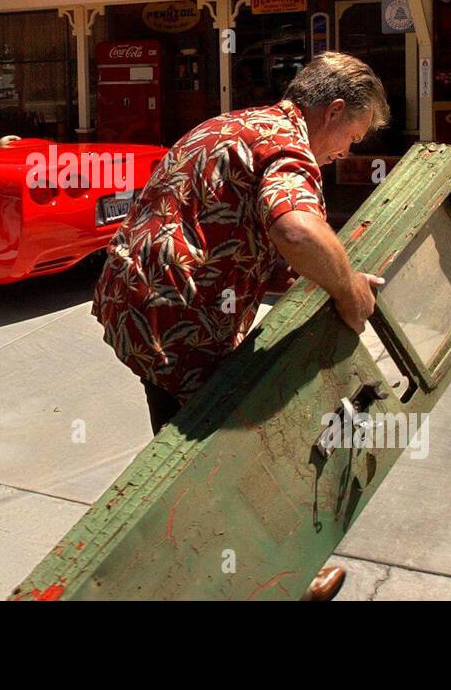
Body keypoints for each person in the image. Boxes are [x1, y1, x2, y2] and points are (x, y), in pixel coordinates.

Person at [91, 51, 390, 601]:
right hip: (182, 329)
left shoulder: (233, 123)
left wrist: (334, 274)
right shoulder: (289, 146)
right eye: (353, 135)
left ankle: (202, 559)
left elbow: (240, 236)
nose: (348, 152)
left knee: (192, 449)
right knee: (246, 454)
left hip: (137, 311)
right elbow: (296, 230)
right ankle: (265, 579)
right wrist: (349, 295)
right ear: (333, 111)